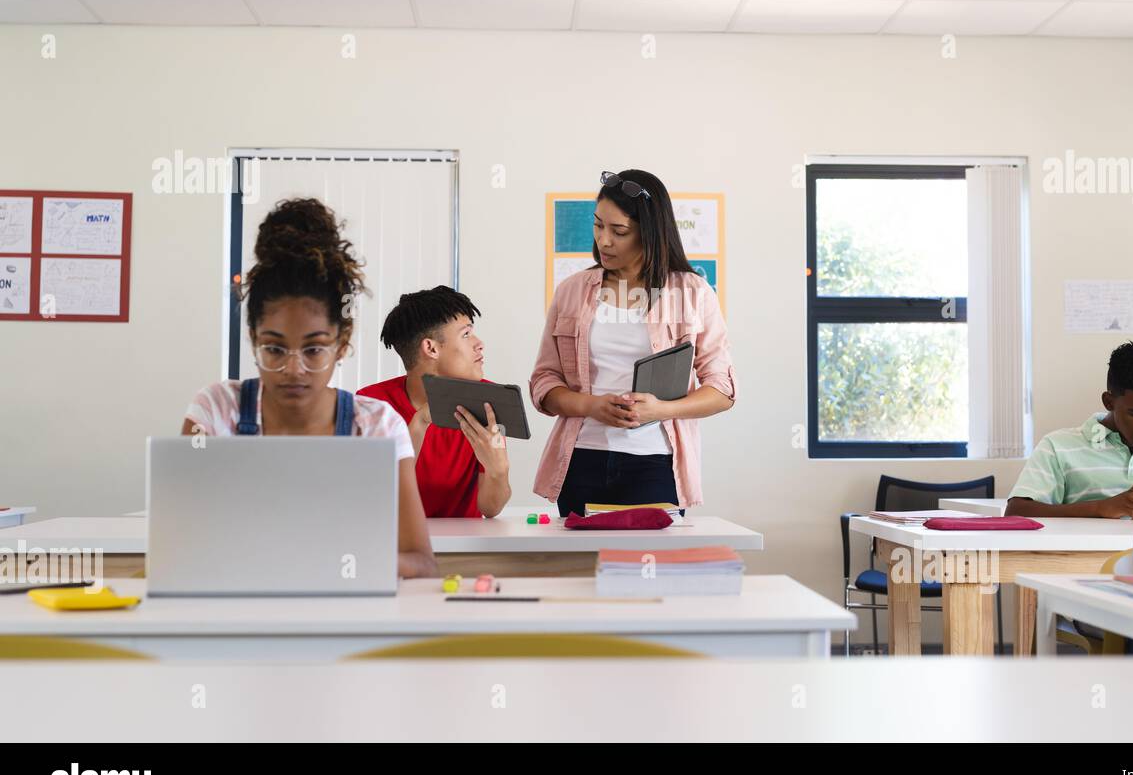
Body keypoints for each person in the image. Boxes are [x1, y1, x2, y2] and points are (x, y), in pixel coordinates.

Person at [181, 198, 437, 578]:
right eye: (274, 348)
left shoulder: (377, 427)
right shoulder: (218, 411)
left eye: (315, 348)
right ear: (253, 340)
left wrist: (328, 562)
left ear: (342, 342)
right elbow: (181, 550)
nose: (293, 368)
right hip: (240, 616)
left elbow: (421, 563)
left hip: (346, 619)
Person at [530, 169, 736, 517]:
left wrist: (660, 410)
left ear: (649, 233)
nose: (604, 240)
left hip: (654, 465)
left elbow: (723, 389)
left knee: (648, 566)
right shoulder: (572, 292)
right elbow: (544, 383)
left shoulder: (692, 293)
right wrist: (591, 405)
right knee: (581, 568)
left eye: (619, 231)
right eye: (598, 226)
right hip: (581, 461)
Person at [359, 287, 510, 518]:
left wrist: (498, 471)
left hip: (462, 549)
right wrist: (419, 422)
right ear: (431, 348)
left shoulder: (487, 400)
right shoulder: (372, 404)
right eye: (466, 334)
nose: (479, 344)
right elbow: (375, 499)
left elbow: (490, 508)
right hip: (391, 544)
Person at [1007, 341, 1133, 520]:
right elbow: (1016, 512)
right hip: (1084, 548)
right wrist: (1099, 508)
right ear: (1109, 402)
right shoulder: (1058, 446)